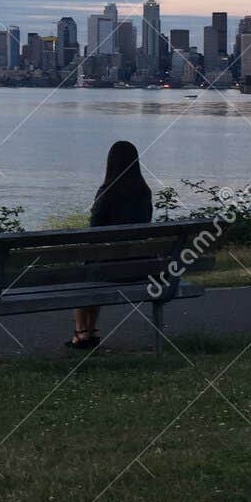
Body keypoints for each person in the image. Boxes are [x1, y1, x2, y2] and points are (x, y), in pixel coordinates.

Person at [70, 139, 153, 349]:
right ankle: (92, 330)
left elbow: (95, 228)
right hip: (139, 267)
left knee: (84, 276)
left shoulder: (107, 190)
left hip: (109, 268)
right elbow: (146, 223)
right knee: (93, 270)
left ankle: (81, 333)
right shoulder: (144, 192)